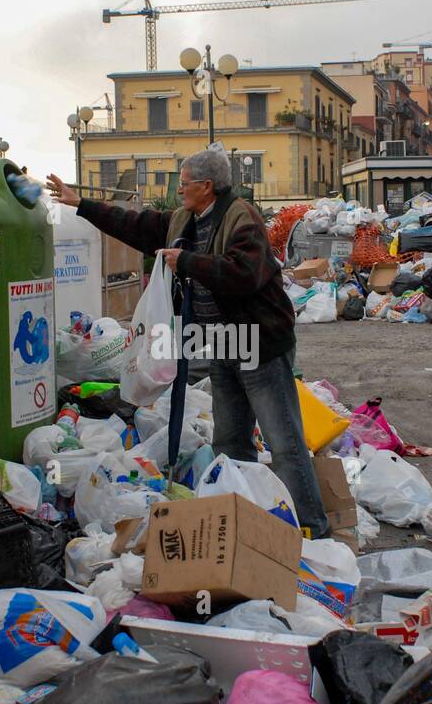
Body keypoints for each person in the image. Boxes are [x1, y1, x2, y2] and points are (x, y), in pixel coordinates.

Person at [46, 147, 328, 538]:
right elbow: (137, 224)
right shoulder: (185, 219)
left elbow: (245, 273)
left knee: (284, 443)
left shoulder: (241, 217)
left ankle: (313, 528)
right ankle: (245, 520)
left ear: (207, 186)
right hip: (222, 344)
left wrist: (189, 262)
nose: (178, 191)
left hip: (259, 345)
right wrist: (83, 205)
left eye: (184, 184)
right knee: (230, 441)